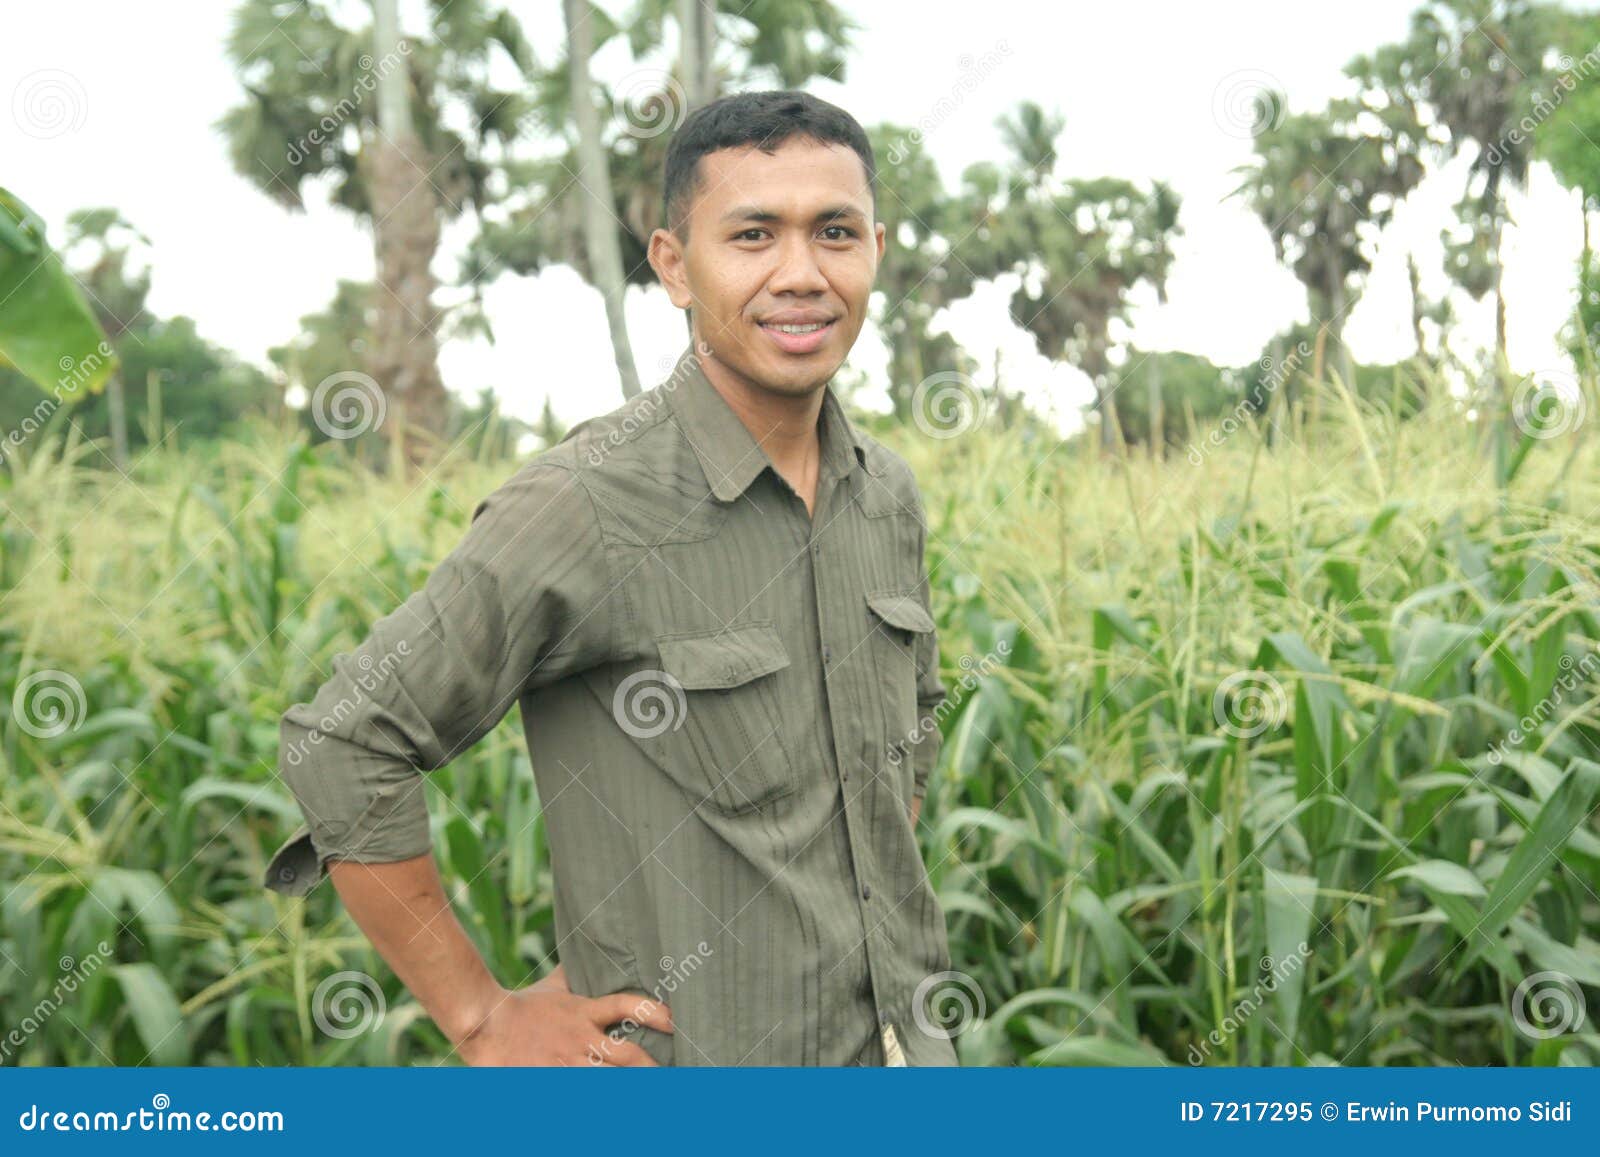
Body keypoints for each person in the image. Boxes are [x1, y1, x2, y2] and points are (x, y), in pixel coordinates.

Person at [264, 89, 956, 1067]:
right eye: (752, 235)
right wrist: (483, 1015)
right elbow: (343, 742)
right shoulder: (585, 502)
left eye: (833, 232)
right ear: (673, 263)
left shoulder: (885, 494)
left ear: (874, 248)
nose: (800, 274)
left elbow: (905, 740)